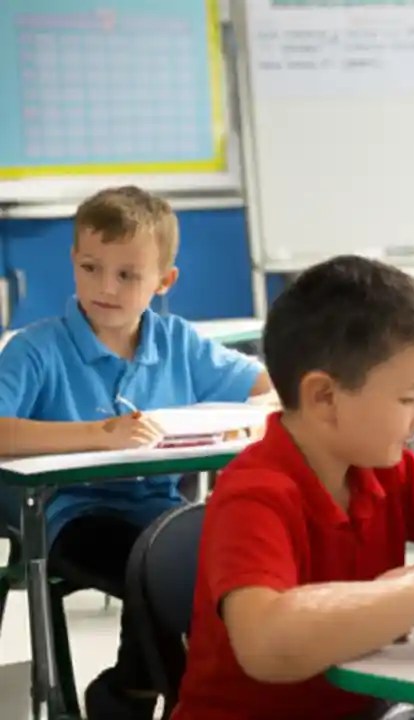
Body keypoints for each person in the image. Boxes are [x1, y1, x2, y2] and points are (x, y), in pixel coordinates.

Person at [173, 255, 414, 720]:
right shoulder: (255, 493)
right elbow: (265, 642)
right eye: (408, 398)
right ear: (325, 398)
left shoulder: (378, 467)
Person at [0, 186, 273, 718]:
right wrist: (98, 433)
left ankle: (129, 691)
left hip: (158, 509)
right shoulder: (37, 348)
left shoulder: (177, 342)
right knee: (155, 569)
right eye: (90, 266)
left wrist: (238, 426)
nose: (105, 287)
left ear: (164, 281)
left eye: (127, 275)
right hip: (70, 515)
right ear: (73, 263)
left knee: (226, 564)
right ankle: (168, 701)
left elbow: (263, 388)